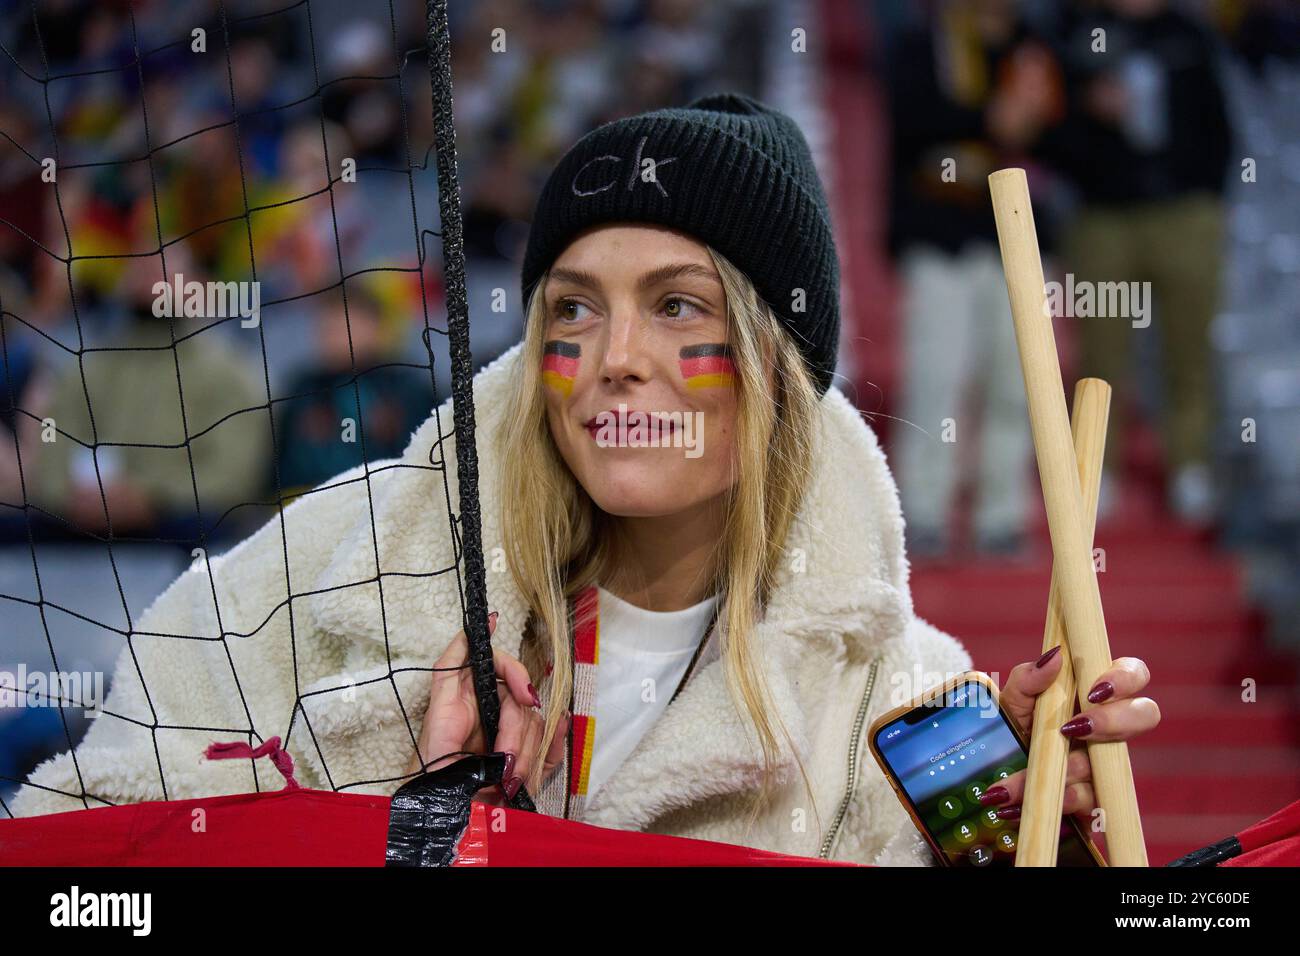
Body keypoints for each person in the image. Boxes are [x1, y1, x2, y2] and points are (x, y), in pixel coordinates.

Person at [10, 94, 1160, 864]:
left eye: (676, 304)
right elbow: (74, 856)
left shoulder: (908, 697)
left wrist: (1024, 848)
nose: (613, 357)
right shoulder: (305, 585)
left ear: (775, 361)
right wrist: (413, 828)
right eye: (573, 306)